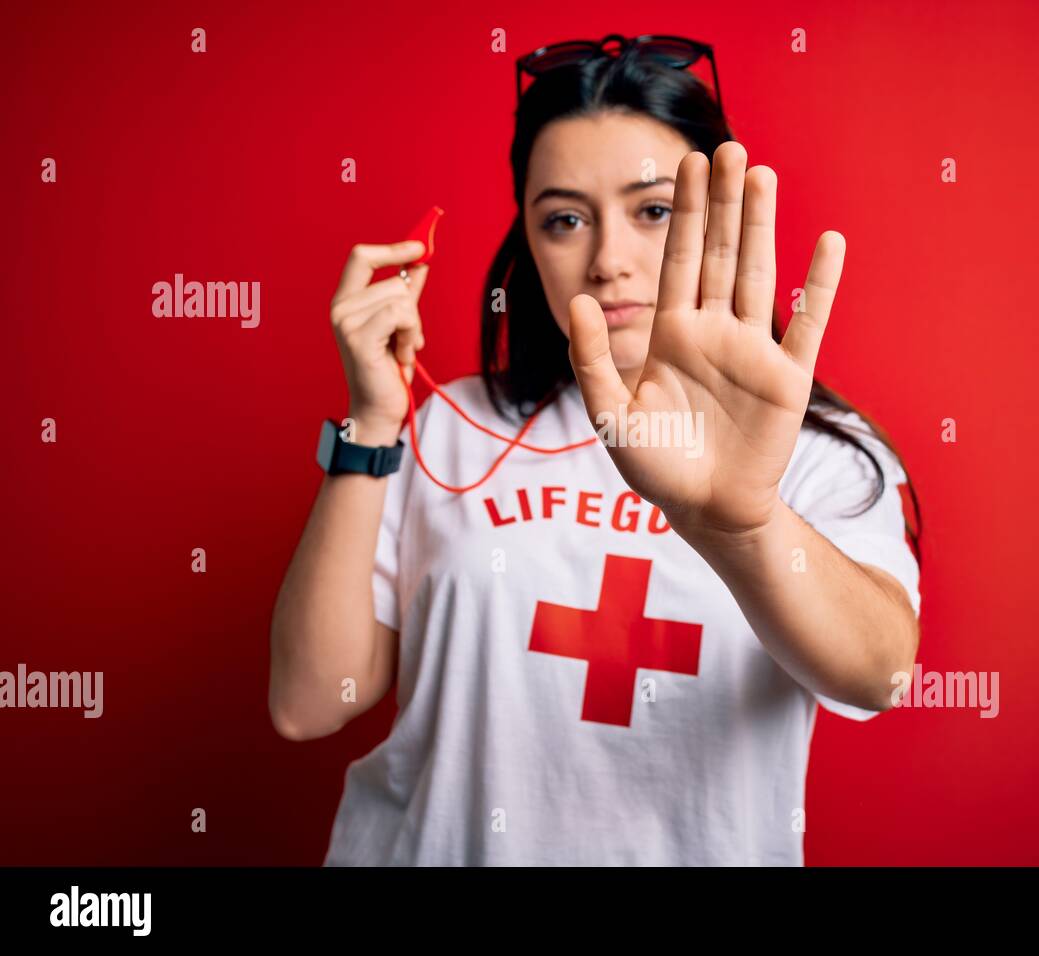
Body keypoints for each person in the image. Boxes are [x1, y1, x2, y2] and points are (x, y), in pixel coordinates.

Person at [270, 34, 923, 866]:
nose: (608, 261)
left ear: (715, 214)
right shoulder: (446, 427)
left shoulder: (820, 453)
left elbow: (881, 677)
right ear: (530, 242)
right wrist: (372, 419)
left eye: (653, 209)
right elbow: (308, 702)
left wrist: (743, 520)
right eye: (565, 219)